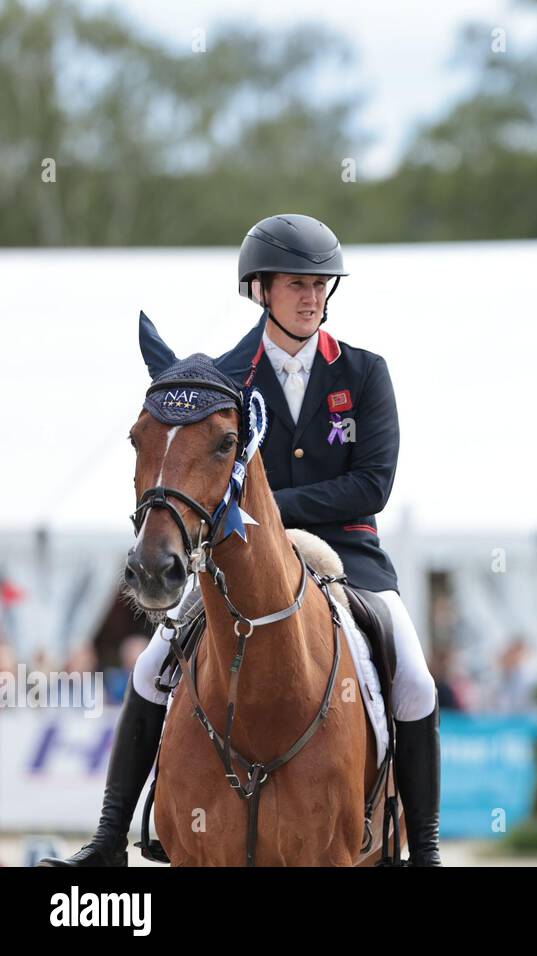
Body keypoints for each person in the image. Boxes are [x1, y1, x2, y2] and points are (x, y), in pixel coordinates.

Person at [42, 214, 442, 867]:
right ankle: (110, 838)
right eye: (296, 284)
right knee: (150, 668)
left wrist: (270, 509)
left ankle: (423, 848)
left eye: (320, 284)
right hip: (240, 559)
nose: (311, 297)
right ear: (261, 290)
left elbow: (372, 485)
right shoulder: (228, 378)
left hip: (347, 555)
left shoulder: (364, 373)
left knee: (416, 678)